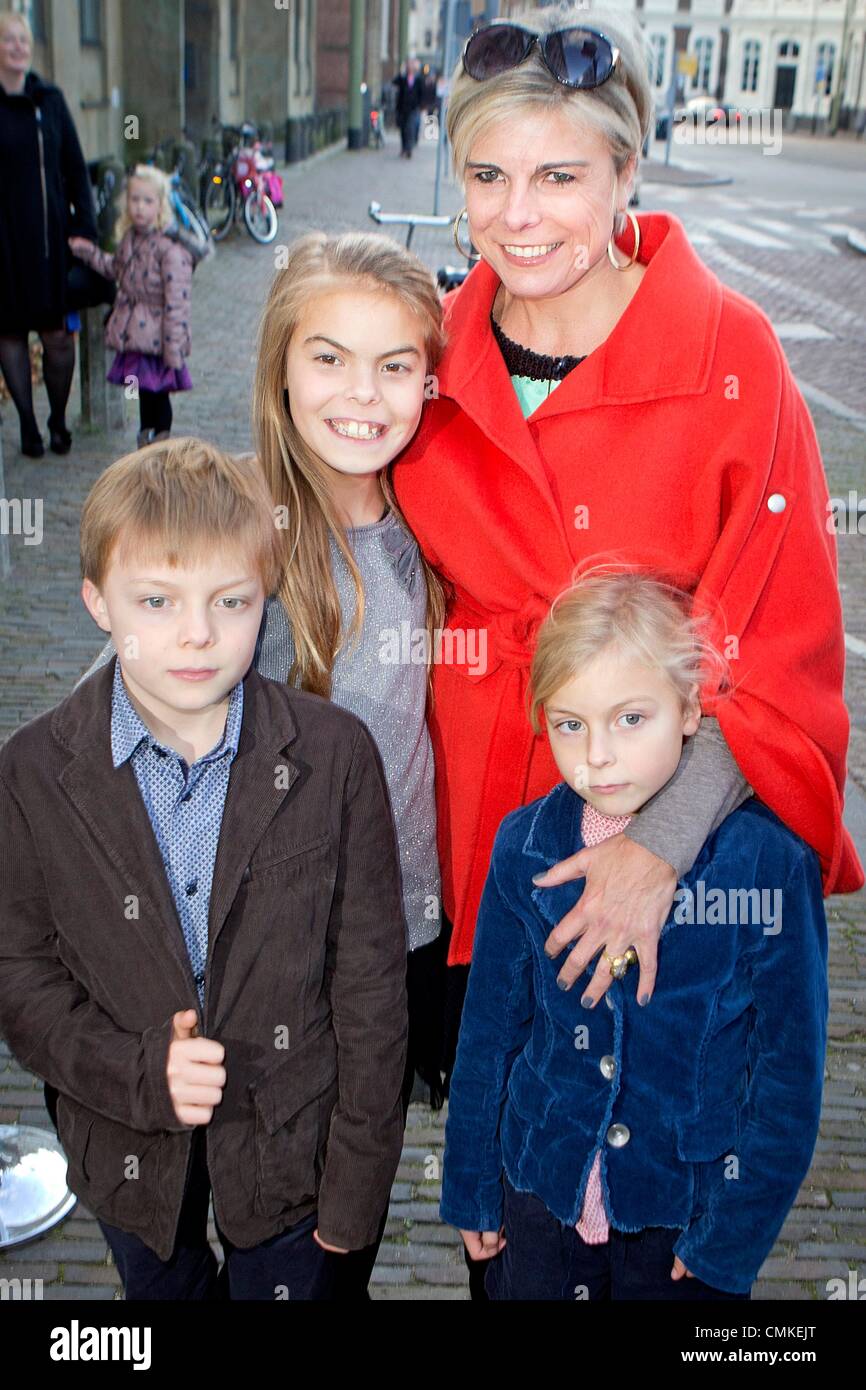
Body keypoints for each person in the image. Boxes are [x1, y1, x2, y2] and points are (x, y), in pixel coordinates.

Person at [390, 5, 862, 1089]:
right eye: (485, 177)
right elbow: (316, 561)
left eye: (560, 176)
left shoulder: (726, 354)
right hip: (470, 851)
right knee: (500, 1193)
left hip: (669, 848)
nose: (517, 217)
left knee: (650, 1193)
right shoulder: (424, 353)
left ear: (624, 170)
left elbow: (781, 647)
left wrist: (658, 846)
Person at [78, 229, 449, 1296]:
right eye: (326, 357)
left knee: (326, 1239)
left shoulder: (441, 527)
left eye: (393, 366)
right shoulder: (227, 526)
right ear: (279, 365)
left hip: (380, 955)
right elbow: (97, 739)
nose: (360, 396)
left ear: (428, 378)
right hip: (218, 962)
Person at [0, 437, 409, 1300]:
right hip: (127, 1156)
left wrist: (358, 1193)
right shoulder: (31, 774)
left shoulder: (335, 757)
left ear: (268, 598)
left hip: (295, 1166)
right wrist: (137, 1072)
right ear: (96, 603)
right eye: (156, 600)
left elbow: (371, 991)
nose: (196, 634)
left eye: (231, 601)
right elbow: (20, 979)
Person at [440, 569, 828, 1300]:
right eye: (570, 724)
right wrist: (470, 1188)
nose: (598, 755)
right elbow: (489, 1032)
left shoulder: (769, 866)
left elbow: (788, 1076)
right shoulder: (522, 846)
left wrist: (730, 1243)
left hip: (680, 1222)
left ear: (689, 711)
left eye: (630, 719)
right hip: (540, 1204)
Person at [0, 10, 98, 457]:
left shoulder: (51, 101)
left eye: (23, 39)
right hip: (4, 246)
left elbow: (76, 170)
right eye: (8, 40)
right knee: (11, 335)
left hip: (49, 246)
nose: (19, 46)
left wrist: (86, 230)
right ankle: (27, 424)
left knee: (58, 336)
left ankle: (58, 420)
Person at [69, 164, 194, 447]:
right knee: (142, 394)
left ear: (160, 205)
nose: (139, 208)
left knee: (159, 394)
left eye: (147, 201)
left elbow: (178, 302)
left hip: (159, 339)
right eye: (134, 200)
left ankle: (160, 447)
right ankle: (145, 443)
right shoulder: (129, 239)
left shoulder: (170, 248)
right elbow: (114, 269)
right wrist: (87, 252)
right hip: (136, 337)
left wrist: (173, 347)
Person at [392, 57, 424, 158]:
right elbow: (394, 82)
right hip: (402, 108)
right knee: (403, 129)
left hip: (413, 108)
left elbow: (421, 92)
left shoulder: (418, 78)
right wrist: (401, 72)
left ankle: (409, 149)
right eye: (408, 65)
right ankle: (404, 147)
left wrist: (420, 105)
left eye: (411, 65)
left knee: (410, 128)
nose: (410, 67)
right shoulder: (402, 78)